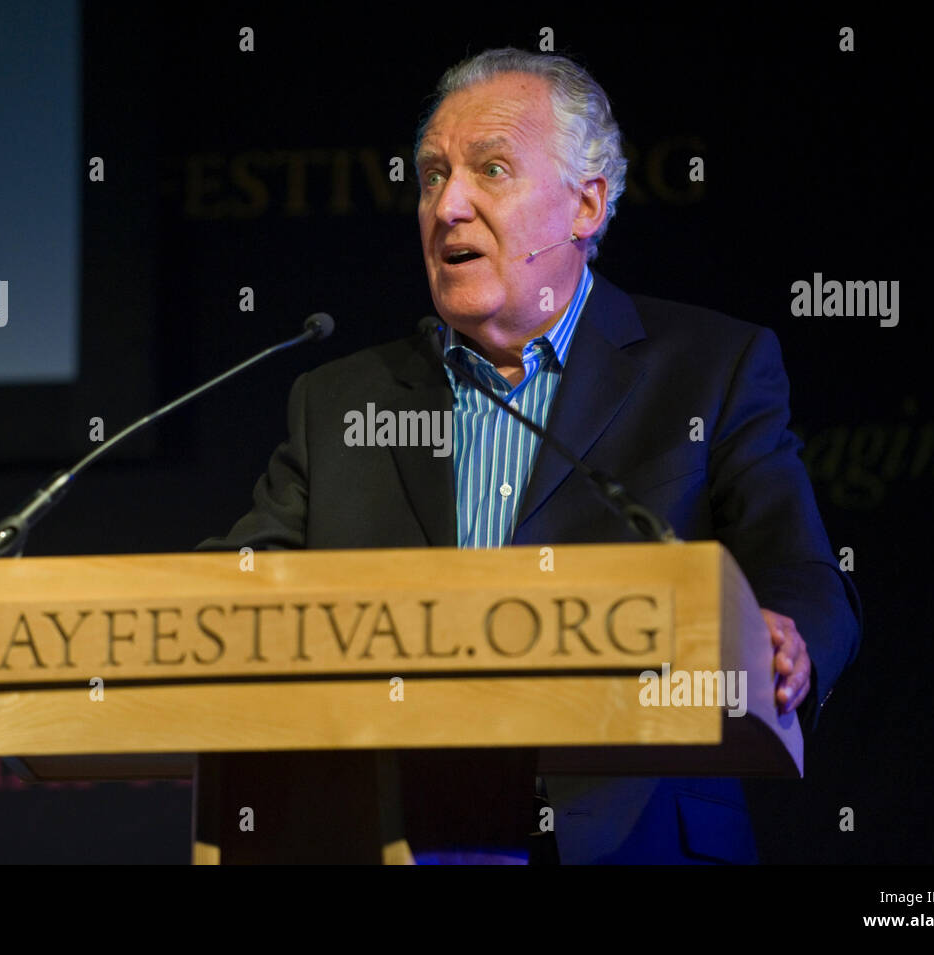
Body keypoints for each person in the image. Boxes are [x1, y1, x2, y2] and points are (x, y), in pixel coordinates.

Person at [197, 47, 862, 864]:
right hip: (393, 835)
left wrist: (788, 642)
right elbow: (231, 594)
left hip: (637, 838)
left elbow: (801, 573)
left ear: (587, 204)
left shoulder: (708, 369)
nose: (449, 205)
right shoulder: (339, 402)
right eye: (433, 175)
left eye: (492, 169)